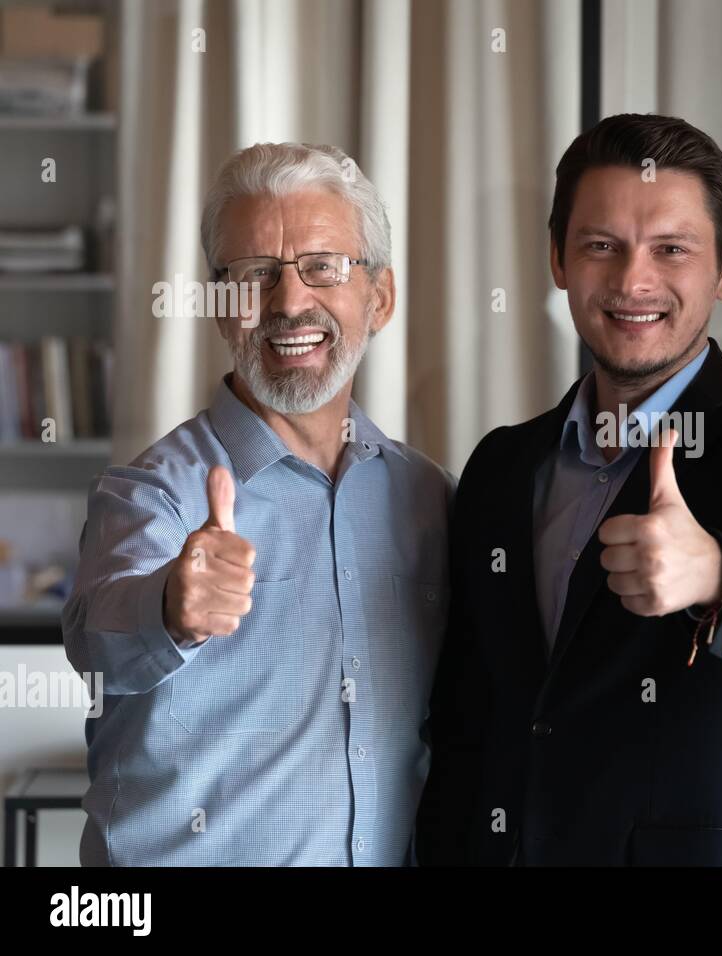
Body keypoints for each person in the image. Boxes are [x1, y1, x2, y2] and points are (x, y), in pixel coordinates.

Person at [417, 114, 722, 866]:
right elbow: (468, 714)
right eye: (602, 246)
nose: (633, 281)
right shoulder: (500, 463)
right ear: (558, 260)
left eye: (671, 250)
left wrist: (717, 576)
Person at [63, 142, 453, 865]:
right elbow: (96, 638)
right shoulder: (152, 493)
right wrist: (170, 605)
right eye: (253, 276)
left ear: (381, 297)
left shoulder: (429, 500)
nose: (288, 302)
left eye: (322, 267)